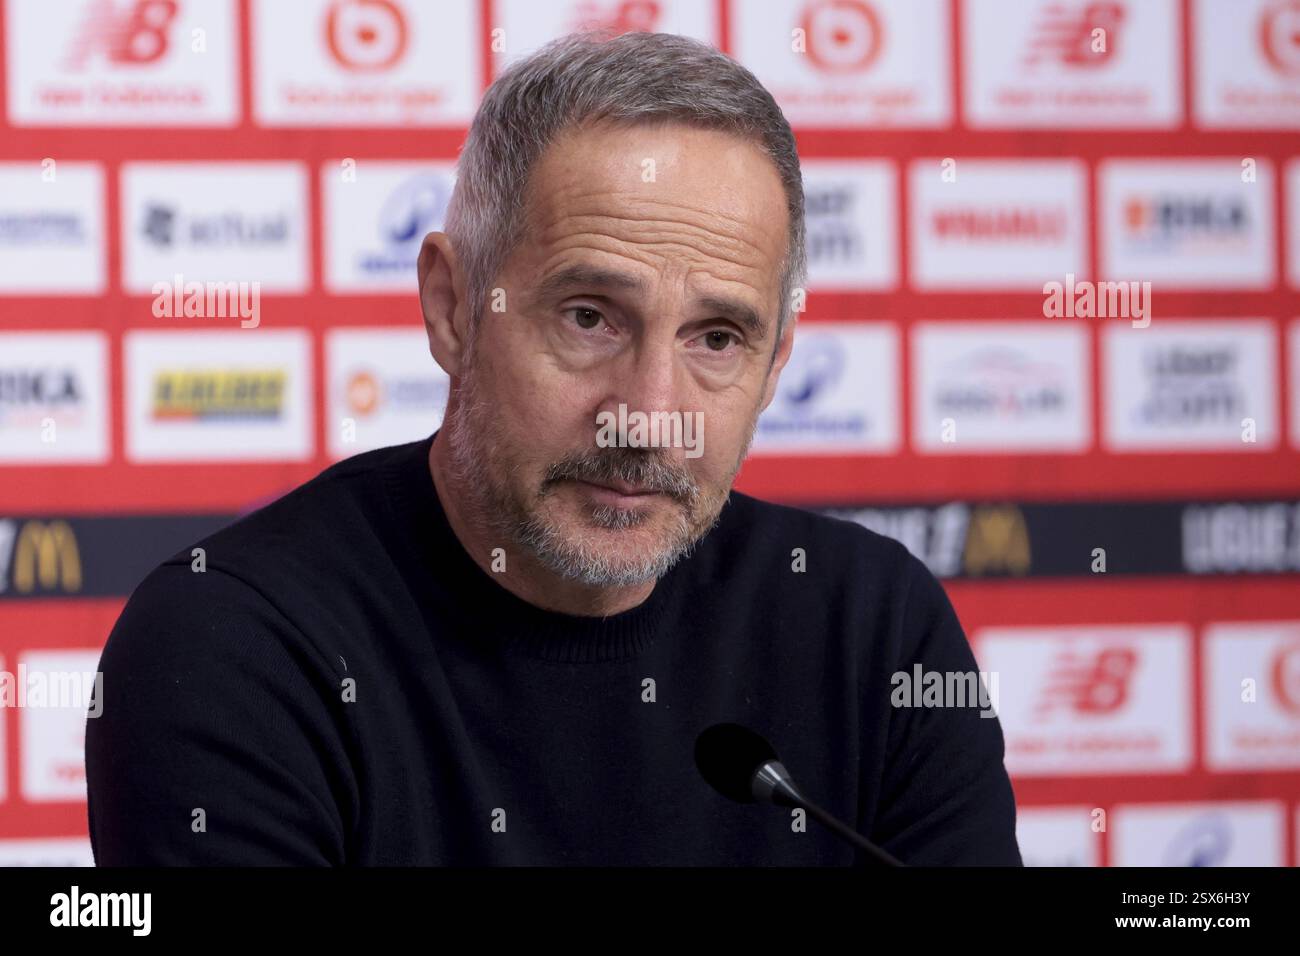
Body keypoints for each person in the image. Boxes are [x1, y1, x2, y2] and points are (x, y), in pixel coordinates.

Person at [86, 30, 1021, 866]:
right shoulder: (233, 645)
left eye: (716, 339)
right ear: (453, 308)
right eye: (589, 318)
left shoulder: (875, 627)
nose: (650, 417)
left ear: (776, 363)